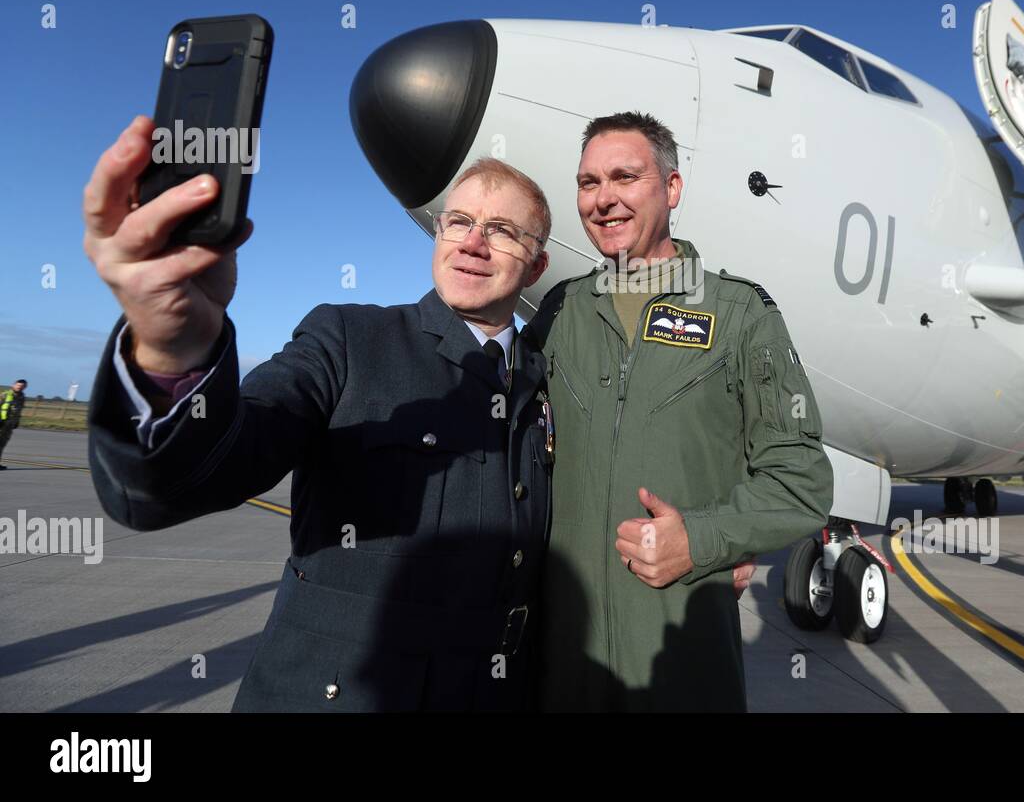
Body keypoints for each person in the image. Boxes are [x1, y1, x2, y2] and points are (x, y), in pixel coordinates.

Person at [83, 114, 554, 710]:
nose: (472, 242)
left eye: (502, 230)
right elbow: (200, 470)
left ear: (536, 267)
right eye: (457, 221)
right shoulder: (349, 340)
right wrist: (172, 352)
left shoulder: (541, 381)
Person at [526, 111, 834, 711]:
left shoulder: (742, 315)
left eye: (625, 177)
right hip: (560, 668)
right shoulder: (559, 314)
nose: (604, 199)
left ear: (671, 189)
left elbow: (801, 480)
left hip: (680, 667)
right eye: (589, 183)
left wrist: (704, 538)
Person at [0, 379, 28, 469]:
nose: (19, 387)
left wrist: (17, 421)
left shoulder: (22, 397)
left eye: (22, 386)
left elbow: (18, 411)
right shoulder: (5, 395)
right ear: (14, 385)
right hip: (1, 422)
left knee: (2, 444)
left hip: (9, 425)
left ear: (25, 387)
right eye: (18, 385)